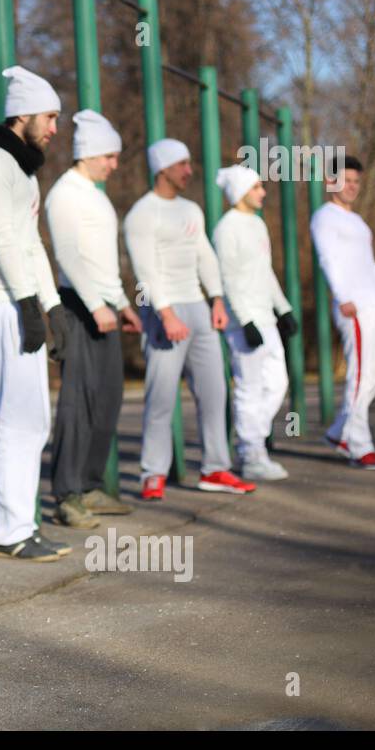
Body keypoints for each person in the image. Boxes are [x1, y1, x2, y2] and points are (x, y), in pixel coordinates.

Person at [0, 66, 70, 562]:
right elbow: (2, 238)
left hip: (17, 302)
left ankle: (20, 526)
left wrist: (52, 305)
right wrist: (29, 304)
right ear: (24, 113)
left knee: (32, 422)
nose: (54, 128)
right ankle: (7, 532)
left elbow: (30, 243)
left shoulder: (21, 169)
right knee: (13, 422)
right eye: (50, 117)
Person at [123, 139, 256, 500]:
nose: (188, 170)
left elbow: (205, 257)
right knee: (162, 396)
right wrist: (166, 314)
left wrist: (216, 300)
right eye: (181, 164)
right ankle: (153, 473)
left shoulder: (191, 210)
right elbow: (145, 270)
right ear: (162, 168)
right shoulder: (142, 214)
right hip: (163, 312)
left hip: (198, 308)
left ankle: (216, 469)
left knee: (215, 393)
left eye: (189, 163)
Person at [43, 110, 141, 529]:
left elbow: (103, 261)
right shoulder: (65, 194)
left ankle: (90, 485)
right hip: (78, 305)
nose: (114, 165)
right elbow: (68, 255)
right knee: (77, 402)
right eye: (111, 157)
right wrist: (96, 305)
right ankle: (67, 495)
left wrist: (120, 303)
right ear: (92, 153)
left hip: (102, 304)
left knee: (108, 397)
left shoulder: (96, 195)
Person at [310, 155, 375, 470]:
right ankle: (358, 444)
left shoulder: (358, 222)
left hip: (373, 303)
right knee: (361, 373)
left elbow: (369, 264)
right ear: (330, 182)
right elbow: (327, 260)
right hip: (352, 306)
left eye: (355, 181)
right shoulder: (325, 217)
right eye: (345, 180)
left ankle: (340, 432)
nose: (351, 187)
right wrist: (341, 296)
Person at [211, 165, 298, 481]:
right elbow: (228, 277)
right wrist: (244, 320)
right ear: (241, 192)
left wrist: (283, 308)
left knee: (277, 383)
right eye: (257, 187)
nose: (263, 192)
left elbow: (266, 272)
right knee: (248, 389)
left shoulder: (258, 225)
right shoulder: (226, 229)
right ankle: (251, 455)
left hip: (266, 318)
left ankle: (252, 443)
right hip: (243, 323)